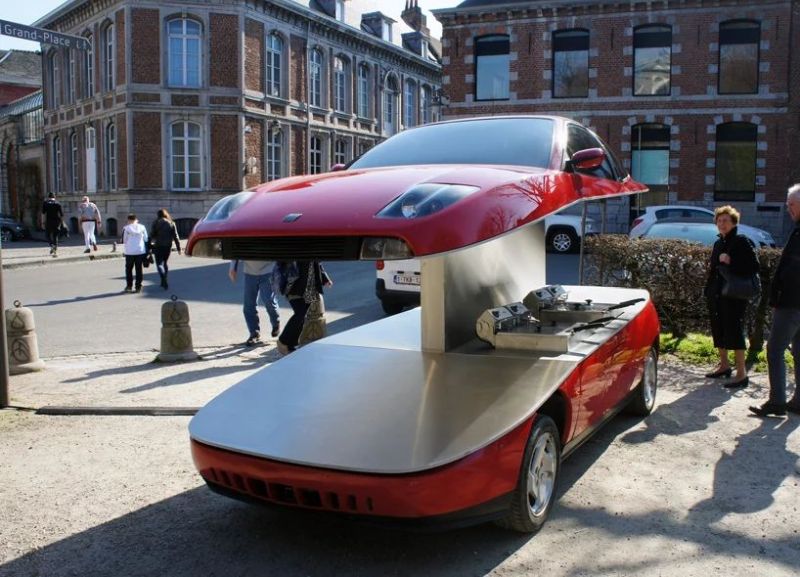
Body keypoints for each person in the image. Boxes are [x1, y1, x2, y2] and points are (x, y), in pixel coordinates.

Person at [750, 184, 800, 417]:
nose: (788, 209)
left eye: (792, 205)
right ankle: (797, 401)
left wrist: (778, 295)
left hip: (792, 303)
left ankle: (777, 401)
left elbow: (792, 270)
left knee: (775, 349)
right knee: (798, 351)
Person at [703, 205, 759, 389]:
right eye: (719, 221)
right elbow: (714, 269)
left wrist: (731, 261)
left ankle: (741, 374)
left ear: (734, 222)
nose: (722, 224)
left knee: (734, 331)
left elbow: (754, 267)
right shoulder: (718, 243)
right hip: (717, 294)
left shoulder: (741, 241)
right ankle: (724, 366)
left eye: (726, 220)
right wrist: (708, 290)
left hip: (734, 295)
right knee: (718, 329)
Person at [277, 260, 332, 355]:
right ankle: (283, 341)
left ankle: (291, 344)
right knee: (300, 314)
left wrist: (325, 278)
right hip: (294, 285)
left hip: (310, 286)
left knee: (302, 316)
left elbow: (317, 263)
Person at [229, 260, 280, 346]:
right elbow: (234, 253)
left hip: (268, 270)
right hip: (249, 272)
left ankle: (276, 322)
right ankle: (254, 333)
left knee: (269, 300)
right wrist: (232, 268)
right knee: (249, 305)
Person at [150, 209, 182, 290]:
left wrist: (149, 244)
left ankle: (163, 279)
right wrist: (179, 248)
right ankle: (164, 280)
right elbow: (176, 236)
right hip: (168, 246)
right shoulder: (171, 223)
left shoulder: (155, 222)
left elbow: (152, 234)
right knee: (165, 263)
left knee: (159, 264)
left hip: (158, 245)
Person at [122, 214, 148, 293]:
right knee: (139, 269)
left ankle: (129, 286)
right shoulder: (142, 227)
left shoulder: (126, 228)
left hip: (129, 252)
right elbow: (146, 239)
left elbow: (124, 240)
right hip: (140, 251)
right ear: (136, 219)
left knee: (129, 269)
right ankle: (138, 287)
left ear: (128, 220)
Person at [41, 193, 63, 257]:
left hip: (49, 222)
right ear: (54, 197)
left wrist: (42, 222)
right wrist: (61, 223)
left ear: (48, 197)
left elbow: (43, 214)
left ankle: (52, 245)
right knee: (55, 236)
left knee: (47, 235)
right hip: (57, 222)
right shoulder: (58, 203)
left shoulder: (45, 203)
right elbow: (61, 214)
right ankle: (55, 249)